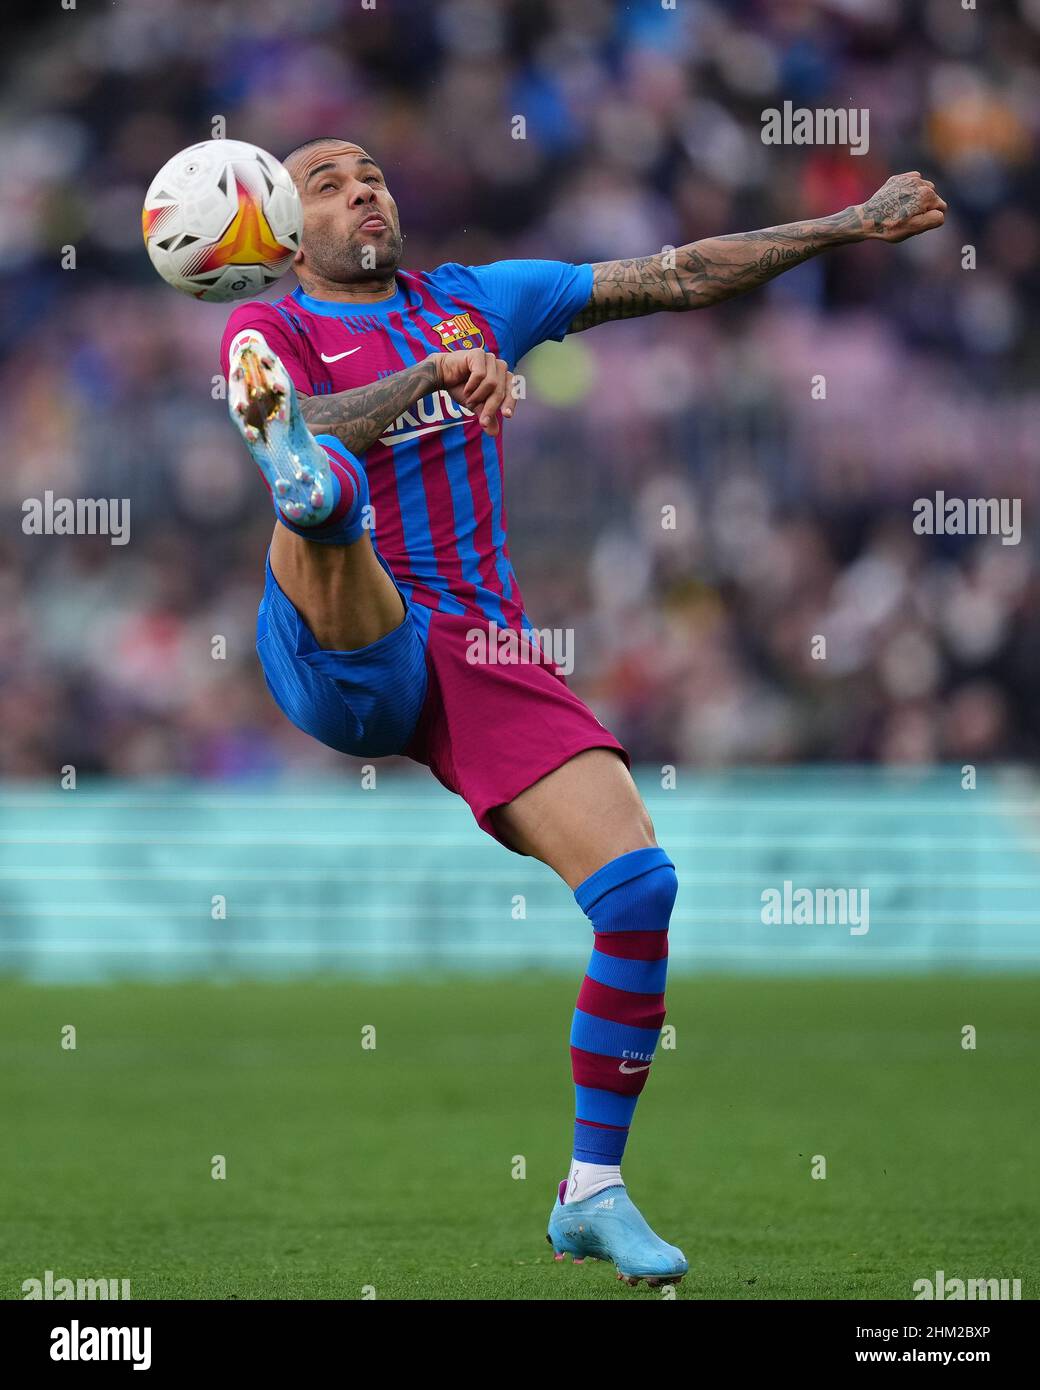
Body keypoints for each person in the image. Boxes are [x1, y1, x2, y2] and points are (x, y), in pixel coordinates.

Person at [219, 138, 945, 1287]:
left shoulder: (474, 302)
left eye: (371, 172)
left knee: (638, 888)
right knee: (316, 480)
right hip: (333, 642)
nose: (363, 187)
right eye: (327, 181)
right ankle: (314, 498)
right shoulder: (272, 333)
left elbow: (673, 274)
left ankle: (590, 1191)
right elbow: (290, 404)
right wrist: (426, 382)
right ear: (279, 228)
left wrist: (848, 222)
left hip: (472, 647)